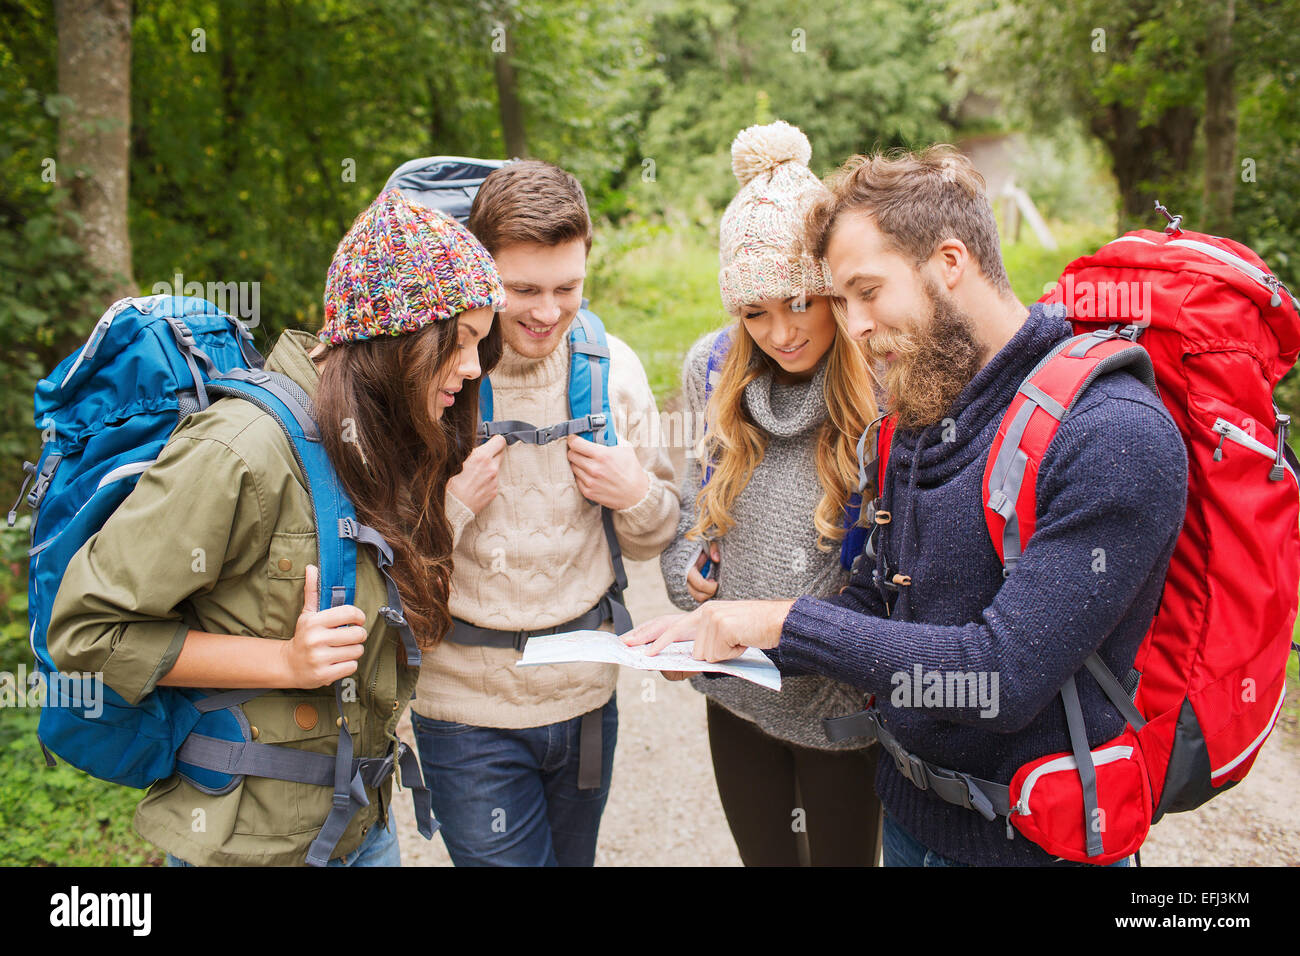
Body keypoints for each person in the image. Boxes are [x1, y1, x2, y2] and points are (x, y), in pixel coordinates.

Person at [629, 146, 1189, 867]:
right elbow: (874, 605)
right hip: (911, 818)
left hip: (1032, 844)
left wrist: (780, 620)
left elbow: (1000, 677)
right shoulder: (924, 405)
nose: (853, 326)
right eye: (842, 299)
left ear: (948, 262)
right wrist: (722, 636)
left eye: (865, 291)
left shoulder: (1113, 433)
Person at [47, 189, 505, 866]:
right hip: (251, 849)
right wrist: (282, 662)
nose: (472, 368)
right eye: (461, 340)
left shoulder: (380, 437)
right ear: (397, 333)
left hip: (362, 829)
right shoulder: (240, 450)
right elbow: (85, 632)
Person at [409, 160, 680, 866]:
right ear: (478, 274)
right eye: (521, 290)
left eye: (568, 288)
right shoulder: (434, 380)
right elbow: (385, 563)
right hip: (467, 714)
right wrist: (452, 509)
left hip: (587, 699)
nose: (547, 313)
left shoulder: (609, 367)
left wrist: (637, 496)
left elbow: (653, 538)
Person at [659, 120, 883, 866]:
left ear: (832, 290)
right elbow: (692, 518)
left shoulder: (883, 386)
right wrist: (693, 579)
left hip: (842, 709)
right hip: (738, 696)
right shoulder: (711, 369)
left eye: (799, 303)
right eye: (755, 313)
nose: (782, 332)